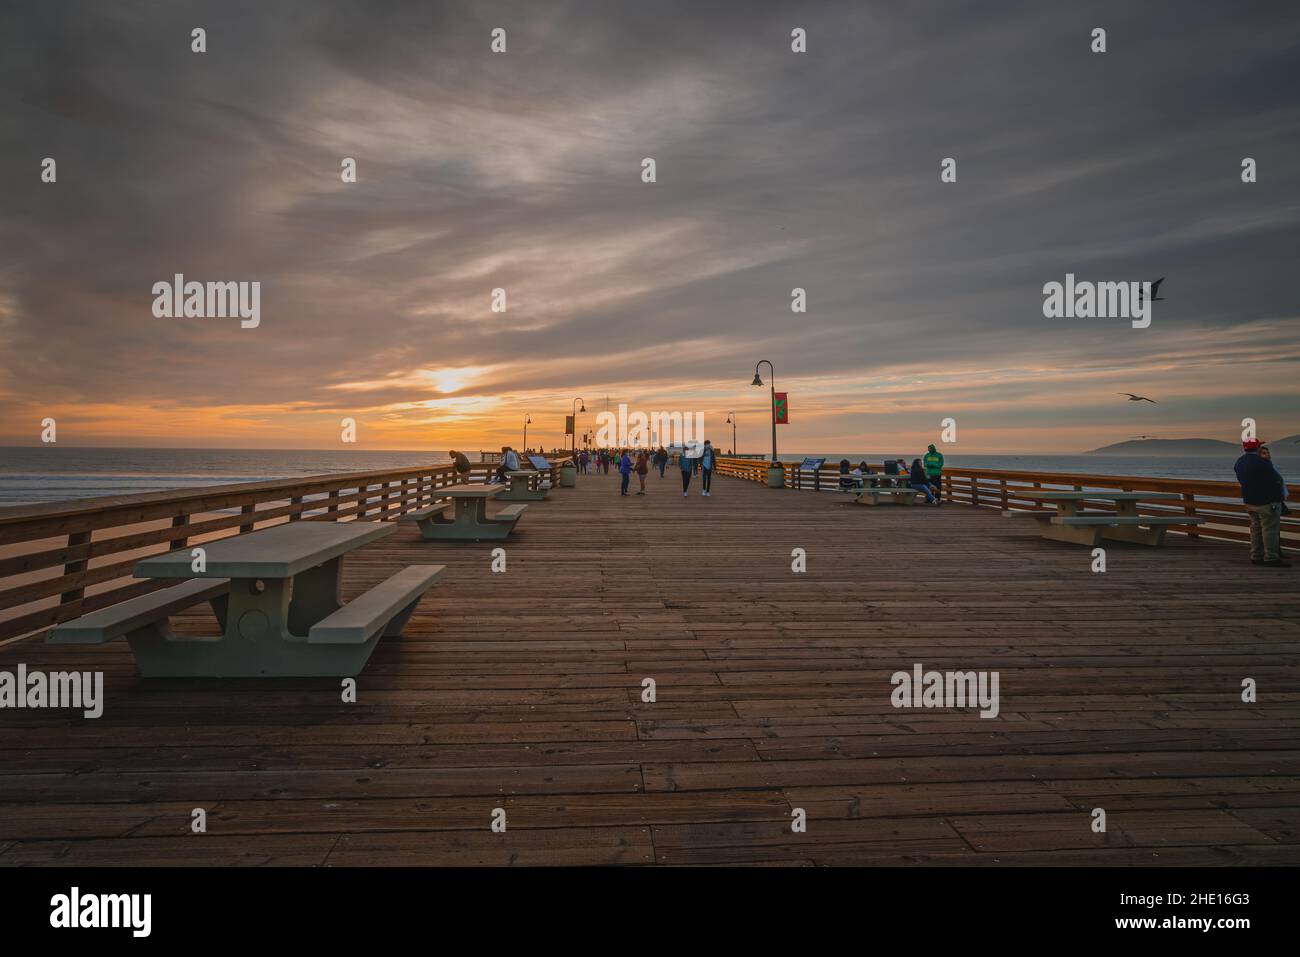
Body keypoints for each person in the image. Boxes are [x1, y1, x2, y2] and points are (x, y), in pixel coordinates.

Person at [1235, 439, 1289, 567]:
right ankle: (1271, 558)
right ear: (1257, 448)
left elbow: (1241, 479)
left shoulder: (1239, 462)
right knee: (1270, 530)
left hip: (1249, 501)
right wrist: (1280, 495)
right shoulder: (1263, 462)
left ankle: (1256, 556)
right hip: (1266, 502)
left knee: (1255, 530)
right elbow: (1276, 480)